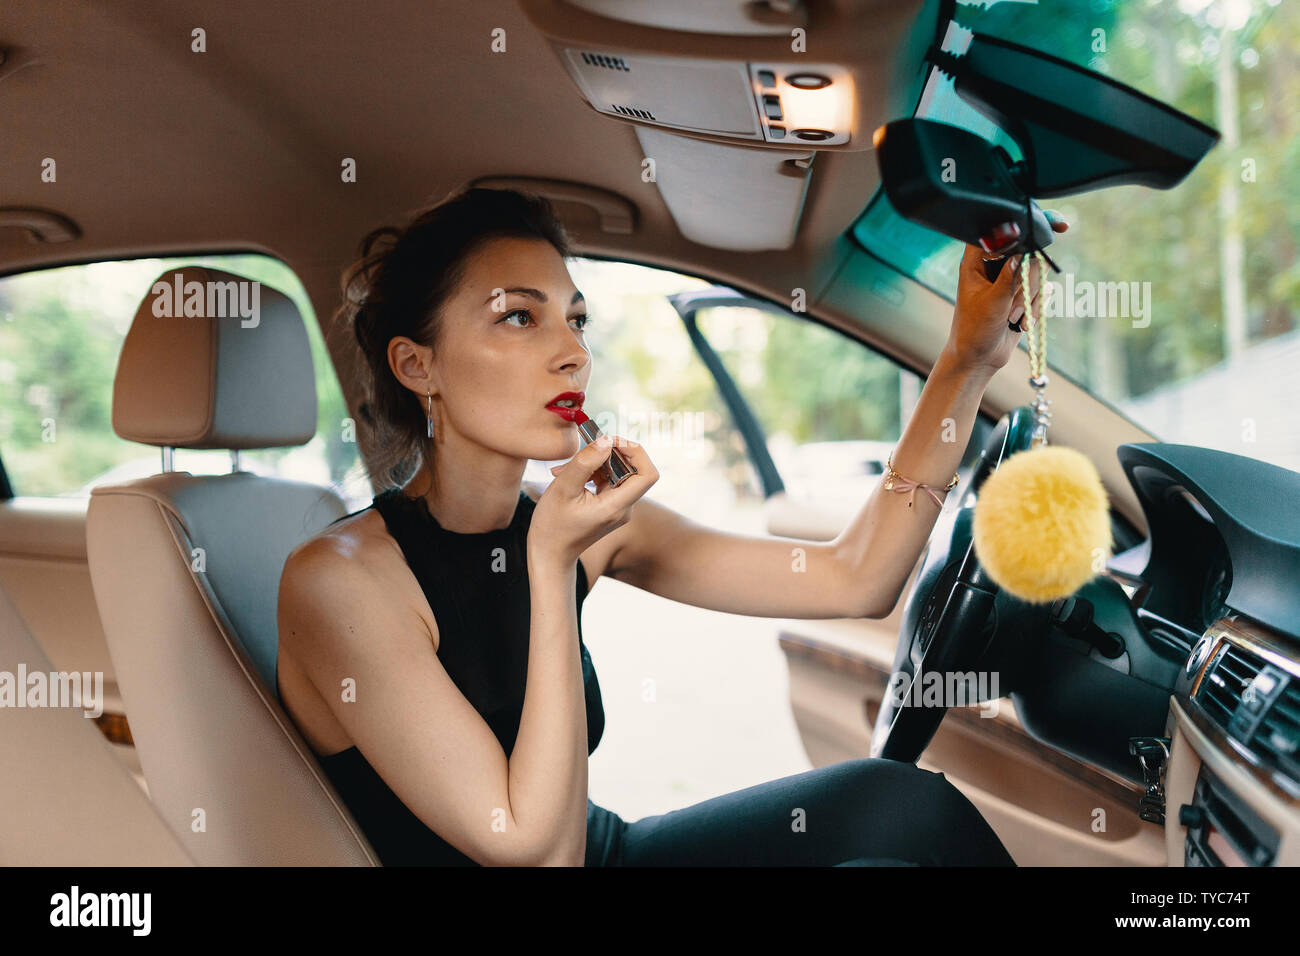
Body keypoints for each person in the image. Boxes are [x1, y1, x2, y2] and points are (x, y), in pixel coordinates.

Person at [276, 186, 1064, 866]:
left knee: (897, 811)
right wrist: (548, 563)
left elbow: (855, 578)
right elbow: (530, 851)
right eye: (519, 318)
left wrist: (967, 358)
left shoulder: (573, 525)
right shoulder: (342, 580)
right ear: (419, 367)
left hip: (606, 851)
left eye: (576, 321)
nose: (572, 354)